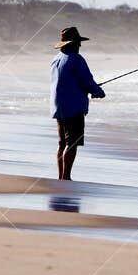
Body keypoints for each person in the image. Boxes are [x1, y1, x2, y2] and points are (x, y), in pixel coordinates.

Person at [50, 26, 105, 181]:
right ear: (72, 43)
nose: (80, 45)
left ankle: (61, 176)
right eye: (78, 42)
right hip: (73, 107)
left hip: (58, 106)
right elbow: (87, 81)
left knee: (62, 143)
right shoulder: (76, 59)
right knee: (72, 143)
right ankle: (66, 177)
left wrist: (91, 89)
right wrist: (98, 92)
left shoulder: (56, 59)